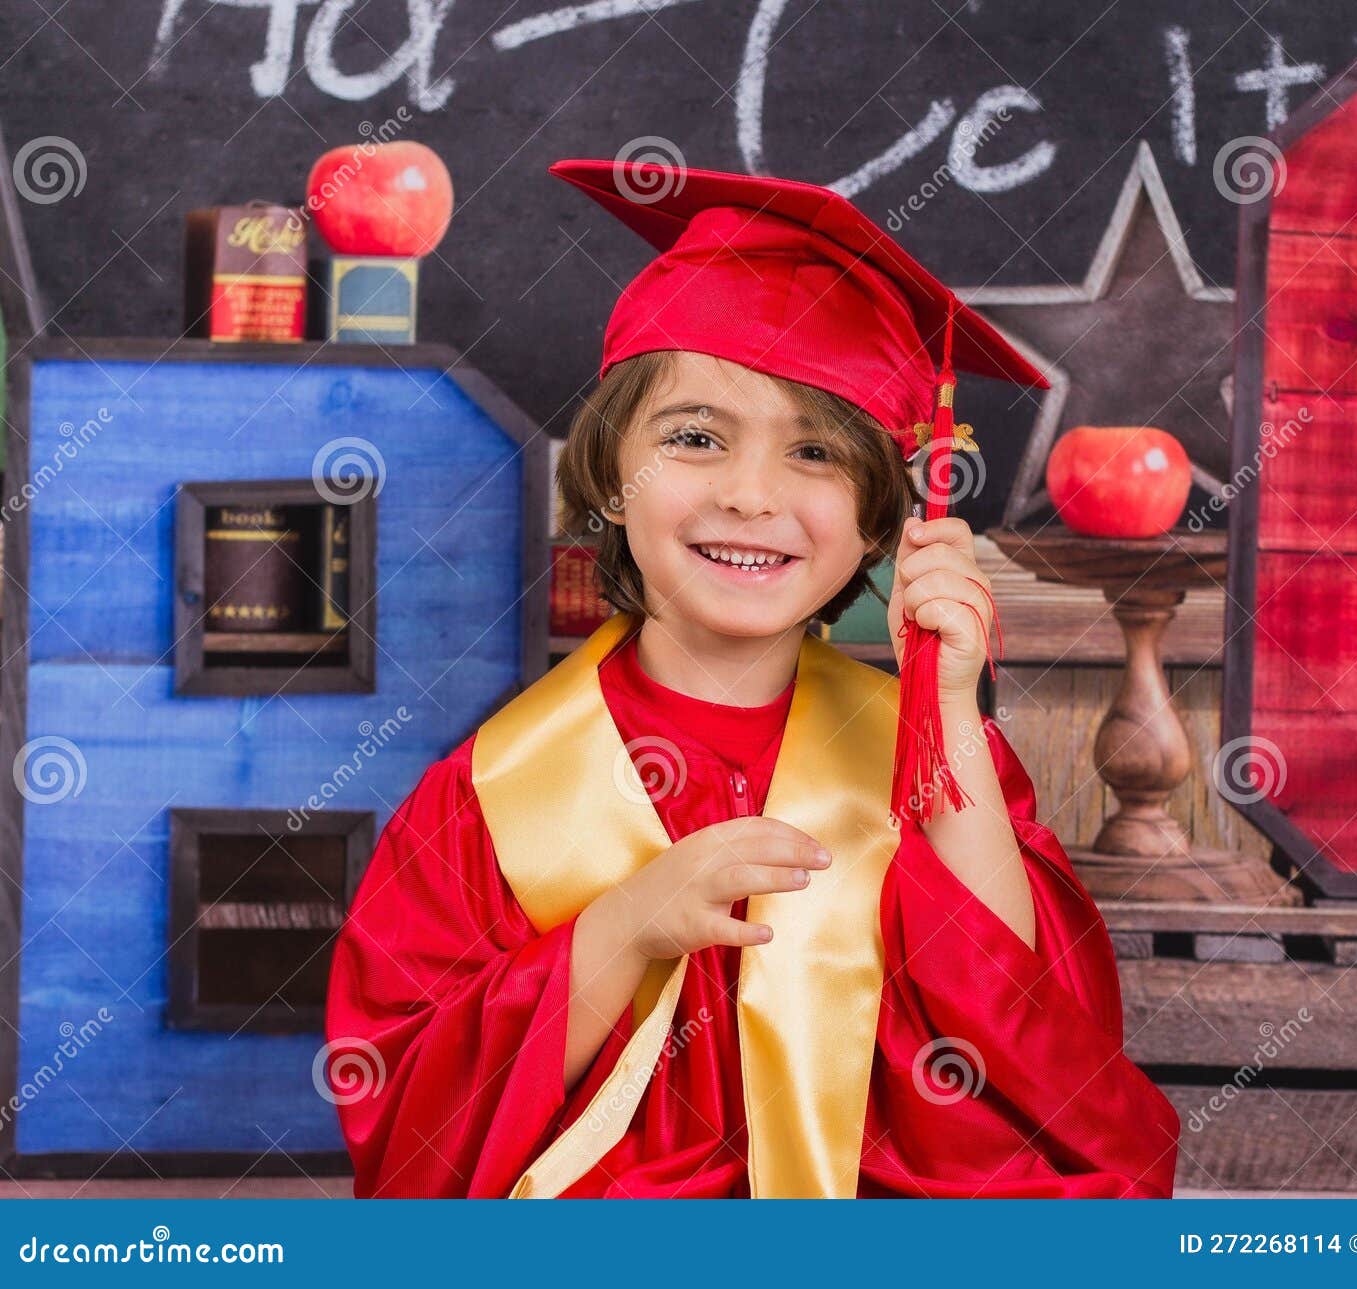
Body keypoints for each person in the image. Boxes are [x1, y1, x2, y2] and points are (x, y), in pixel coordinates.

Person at [323, 157, 1181, 1199]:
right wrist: (625, 925)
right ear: (608, 475)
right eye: (693, 437)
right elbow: (410, 1126)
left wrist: (948, 709)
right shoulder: (484, 797)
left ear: (877, 516)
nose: (748, 493)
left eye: (814, 452)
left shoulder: (935, 751)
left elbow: (1040, 1058)